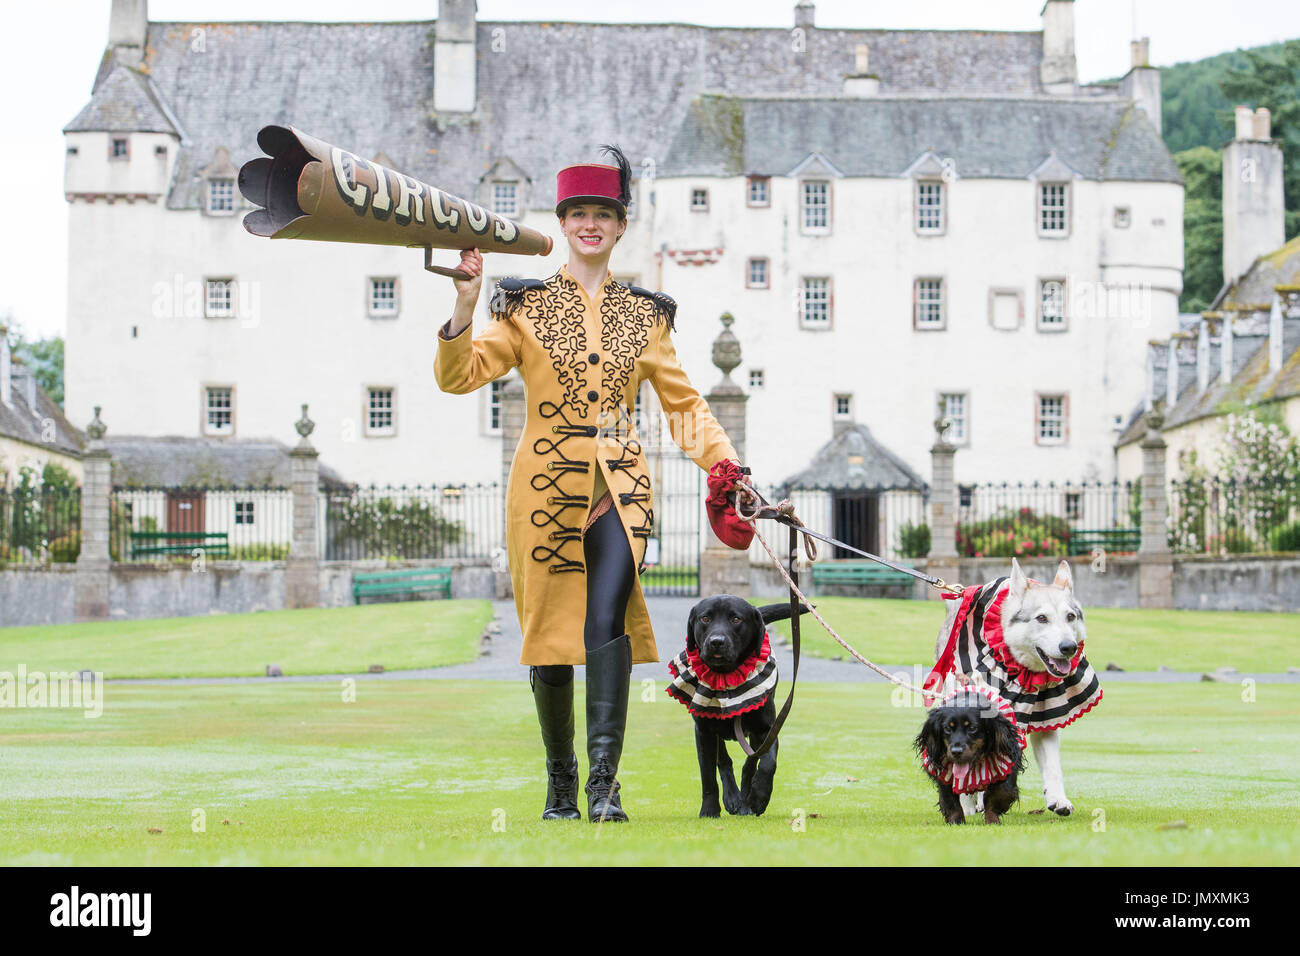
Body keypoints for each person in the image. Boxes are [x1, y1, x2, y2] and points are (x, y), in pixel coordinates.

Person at [434, 144, 753, 822]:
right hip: (543, 493)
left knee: (604, 622)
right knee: (548, 635)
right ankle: (560, 785)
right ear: (563, 220)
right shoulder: (520, 304)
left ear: (619, 225)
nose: (590, 225)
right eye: (578, 213)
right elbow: (461, 376)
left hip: (621, 490)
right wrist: (464, 304)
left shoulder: (647, 316)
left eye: (602, 214)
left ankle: (604, 787)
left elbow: (684, 406)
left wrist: (726, 468)